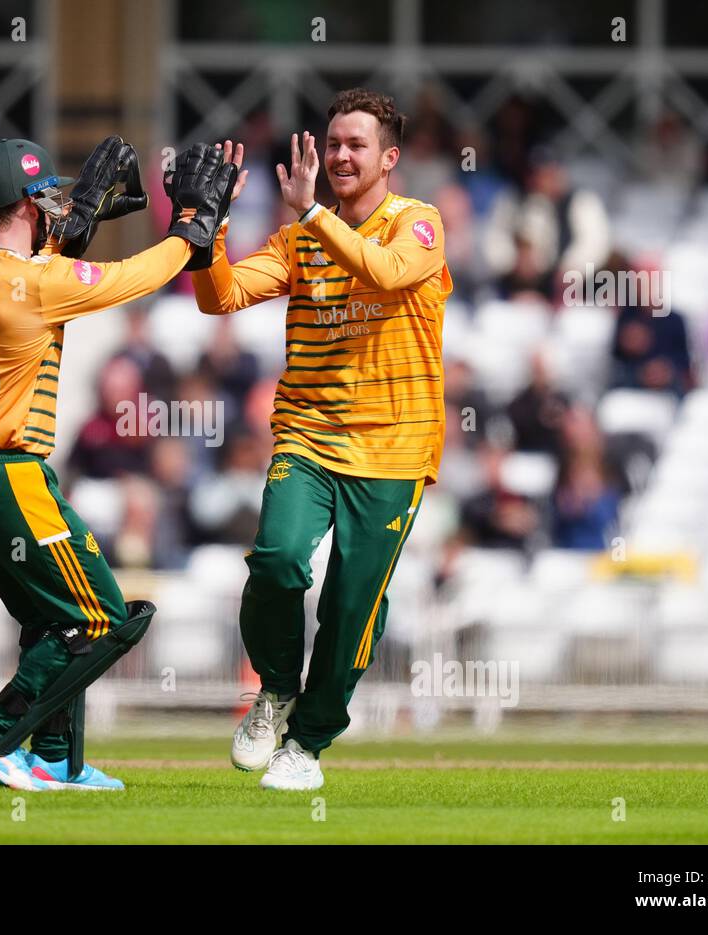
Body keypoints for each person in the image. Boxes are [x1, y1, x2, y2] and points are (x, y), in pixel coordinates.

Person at [0, 136, 231, 791]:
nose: (59, 209)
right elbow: (133, 278)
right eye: (49, 200)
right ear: (31, 208)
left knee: (51, 616)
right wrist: (190, 230)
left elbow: (28, 271)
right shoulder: (40, 283)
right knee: (98, 613)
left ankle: (54, 758)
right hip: (8, 472)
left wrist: (76, 221)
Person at [191, 88, 452, 791]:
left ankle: (306, 741)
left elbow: (387, 272)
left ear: (389, 158)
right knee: (276, 558)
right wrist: (206, 234)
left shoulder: (418, 224)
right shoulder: (300, 240)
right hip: (307, 434)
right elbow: (220, 297)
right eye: (332, 142)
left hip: (395, 448)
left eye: (354, 144)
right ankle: (276, 689)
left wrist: (309, 212)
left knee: (350, 607)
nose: (339, 154)